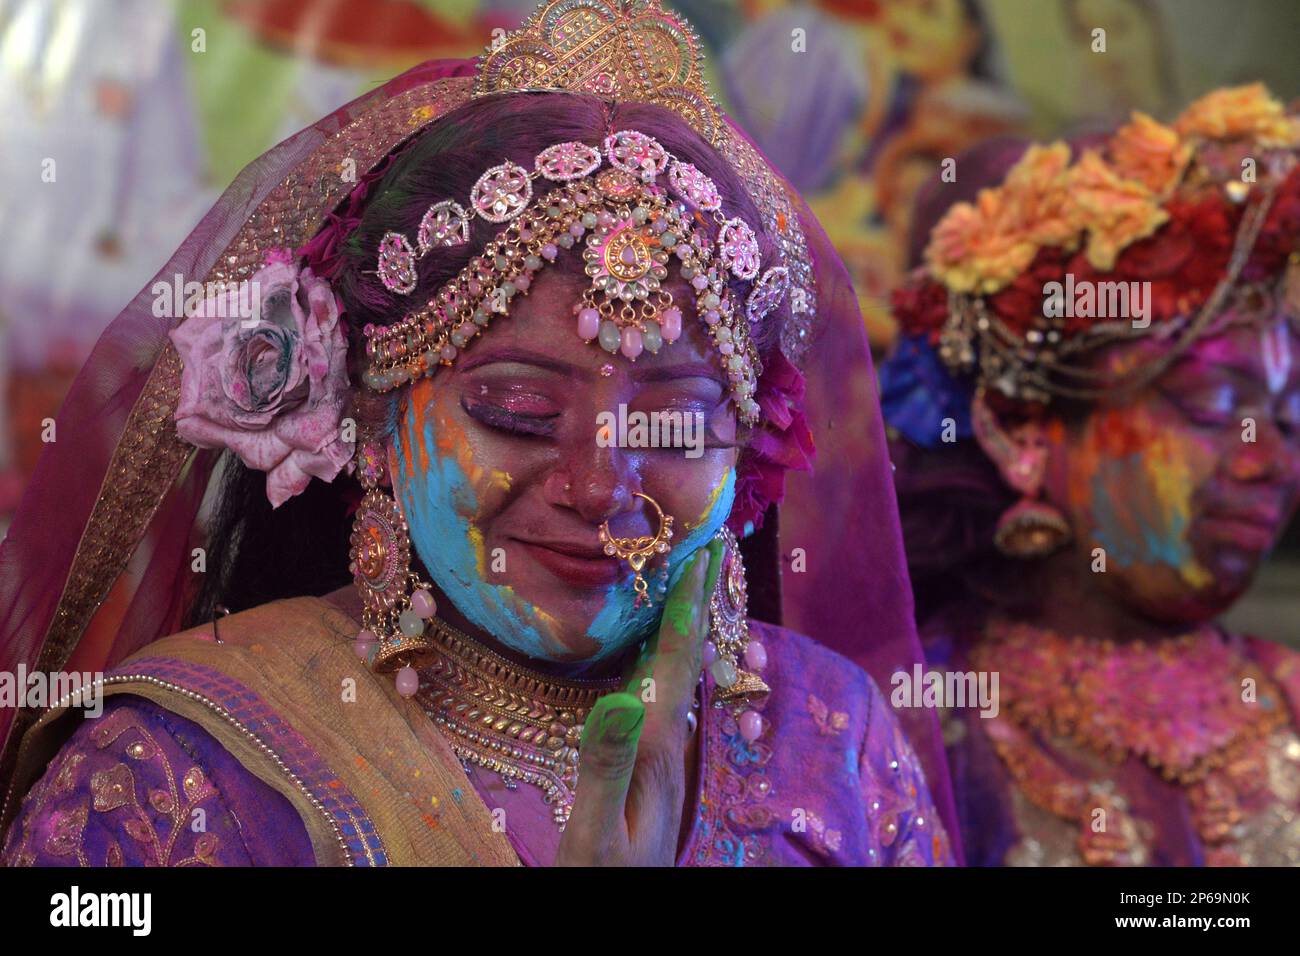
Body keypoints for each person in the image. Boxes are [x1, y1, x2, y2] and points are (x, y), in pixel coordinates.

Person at [0, 0, 954, 867]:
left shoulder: (834, 739)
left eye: (675, 420)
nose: (599, 488)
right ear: (372, 412)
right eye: (519, 415)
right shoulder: (178, 772)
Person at [882, 83, 1300, 865]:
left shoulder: (1288, 700)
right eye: (1212, 406)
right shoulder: (900, 723)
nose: (1268, 458)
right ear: (1019, 433)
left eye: (1289, 419)